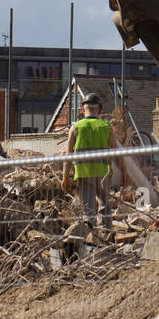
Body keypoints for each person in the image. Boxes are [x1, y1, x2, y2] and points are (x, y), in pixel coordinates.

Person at [62, 93, 116, 234]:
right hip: (104, 173)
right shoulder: (106, 127)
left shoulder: (76, 127)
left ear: (82, 109)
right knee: (105, 206)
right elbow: (117, 153)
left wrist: (65, 177)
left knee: (88, 209)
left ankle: (90, 240)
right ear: (99, 109)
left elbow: (68, 155)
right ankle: (107, 237)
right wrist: (124, 170)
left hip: (84, 172)